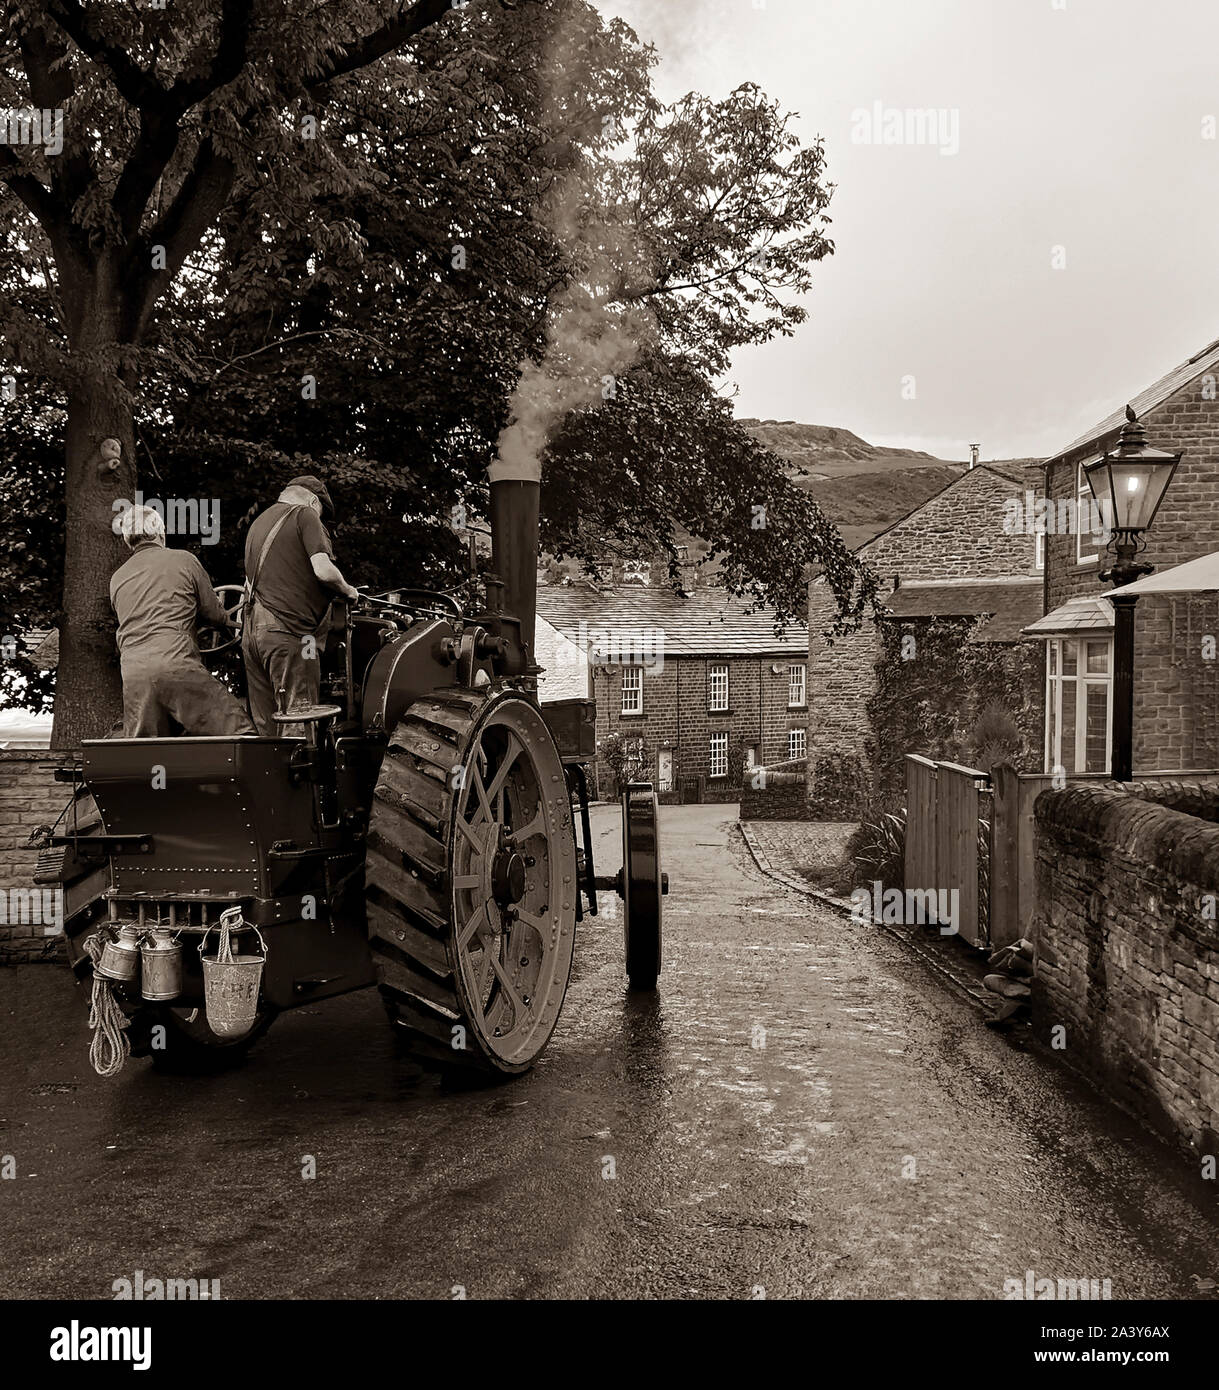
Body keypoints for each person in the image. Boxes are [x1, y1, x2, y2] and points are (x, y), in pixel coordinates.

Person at [110, 504, 256, 738]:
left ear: (128, 540)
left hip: (133, 675)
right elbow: (215, 615)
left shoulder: (118, 578)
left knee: (148, 751)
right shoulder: (184, 561)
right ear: (160, 531)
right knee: (239, 732)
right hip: (176, 667)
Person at [242, 475, 359, 736]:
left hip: (252, 635)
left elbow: (248, 587)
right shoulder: (304, 515)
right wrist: (349, 590)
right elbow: (323, 570)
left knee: (267, 726)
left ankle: (267, 775)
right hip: (291, 635)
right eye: (320, 512)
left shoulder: (258, 523)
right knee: (299, 720)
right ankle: (302, 777)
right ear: (313, 500)